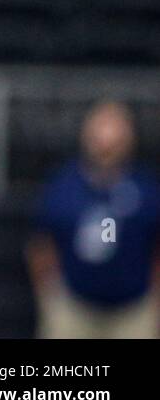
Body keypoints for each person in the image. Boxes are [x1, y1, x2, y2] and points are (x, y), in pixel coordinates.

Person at [27, 100, 160, 338]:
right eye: (101, 130)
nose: (107, 141)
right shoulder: (63, 186)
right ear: (86, 134)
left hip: (133, 311)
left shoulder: (147, 189)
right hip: (74, 308)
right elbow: (41, 245)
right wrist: (51, 299)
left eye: (115, 131)